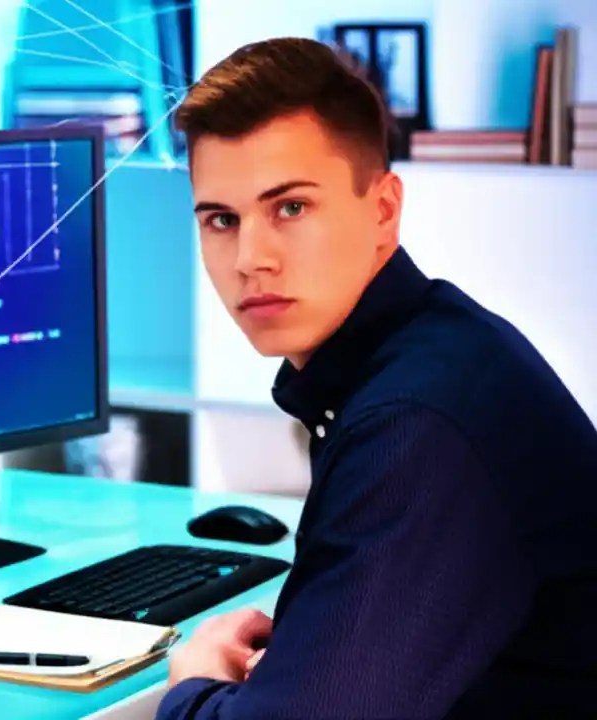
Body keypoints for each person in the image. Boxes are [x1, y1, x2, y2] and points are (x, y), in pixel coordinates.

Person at [156, 37, 597, 719]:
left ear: (384, 211)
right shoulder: (433, 348)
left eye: (290, 208)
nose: (250, 259)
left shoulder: (414, 422)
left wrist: (190, 685)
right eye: (221, 219)